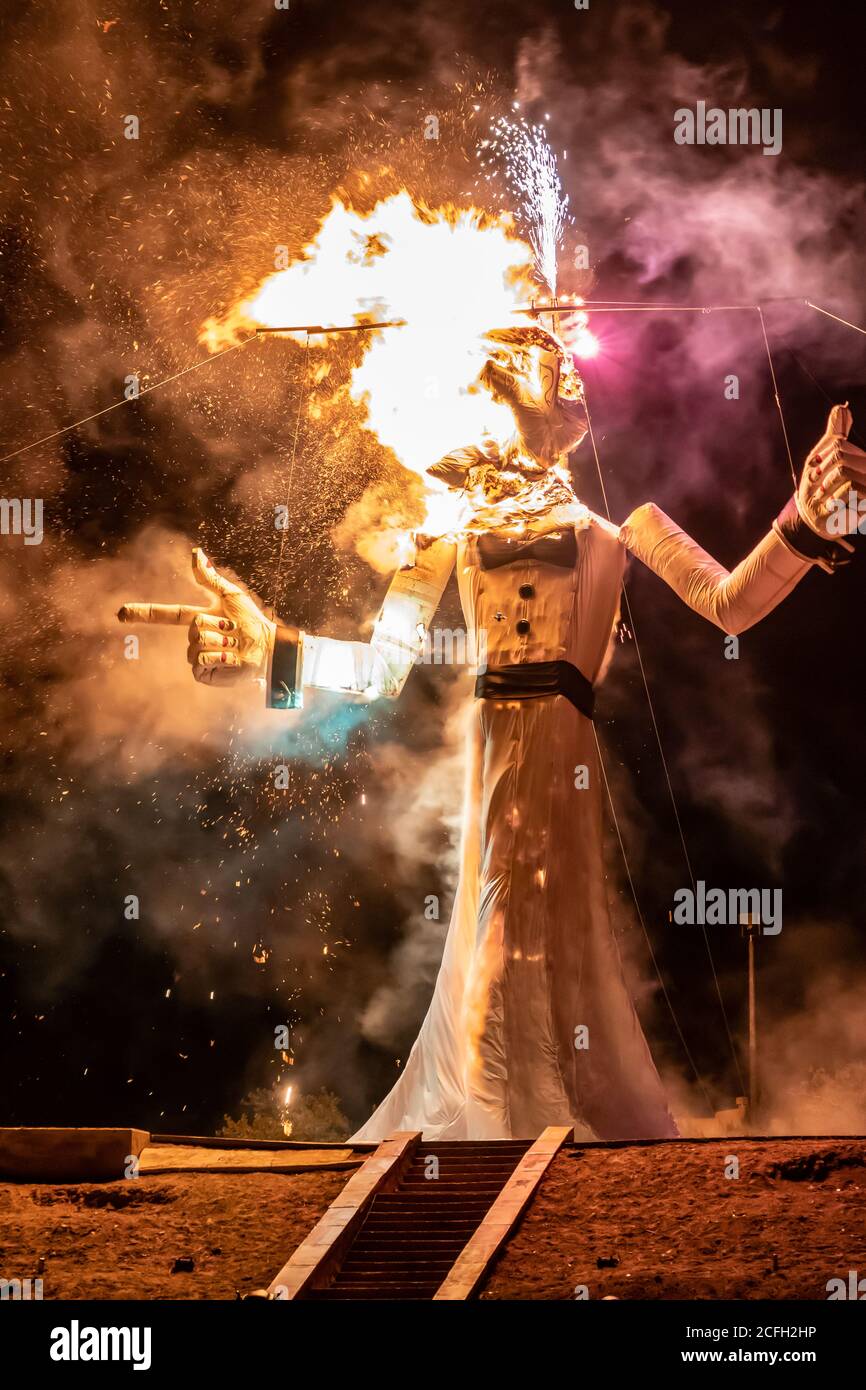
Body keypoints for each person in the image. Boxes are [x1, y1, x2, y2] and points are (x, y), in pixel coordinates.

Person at [119, 326, 864, 1141]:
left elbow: (729, 603)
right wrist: (273, 653)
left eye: (541, 361)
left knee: (528, 905)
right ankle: (489, 1108)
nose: (532, 368)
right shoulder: (448, 536)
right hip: (492, 739)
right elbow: (377, 671)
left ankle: (512, 1111)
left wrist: (806, 522)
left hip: (559, 738)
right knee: (500, 903)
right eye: (510, 363)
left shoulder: (627, 530)